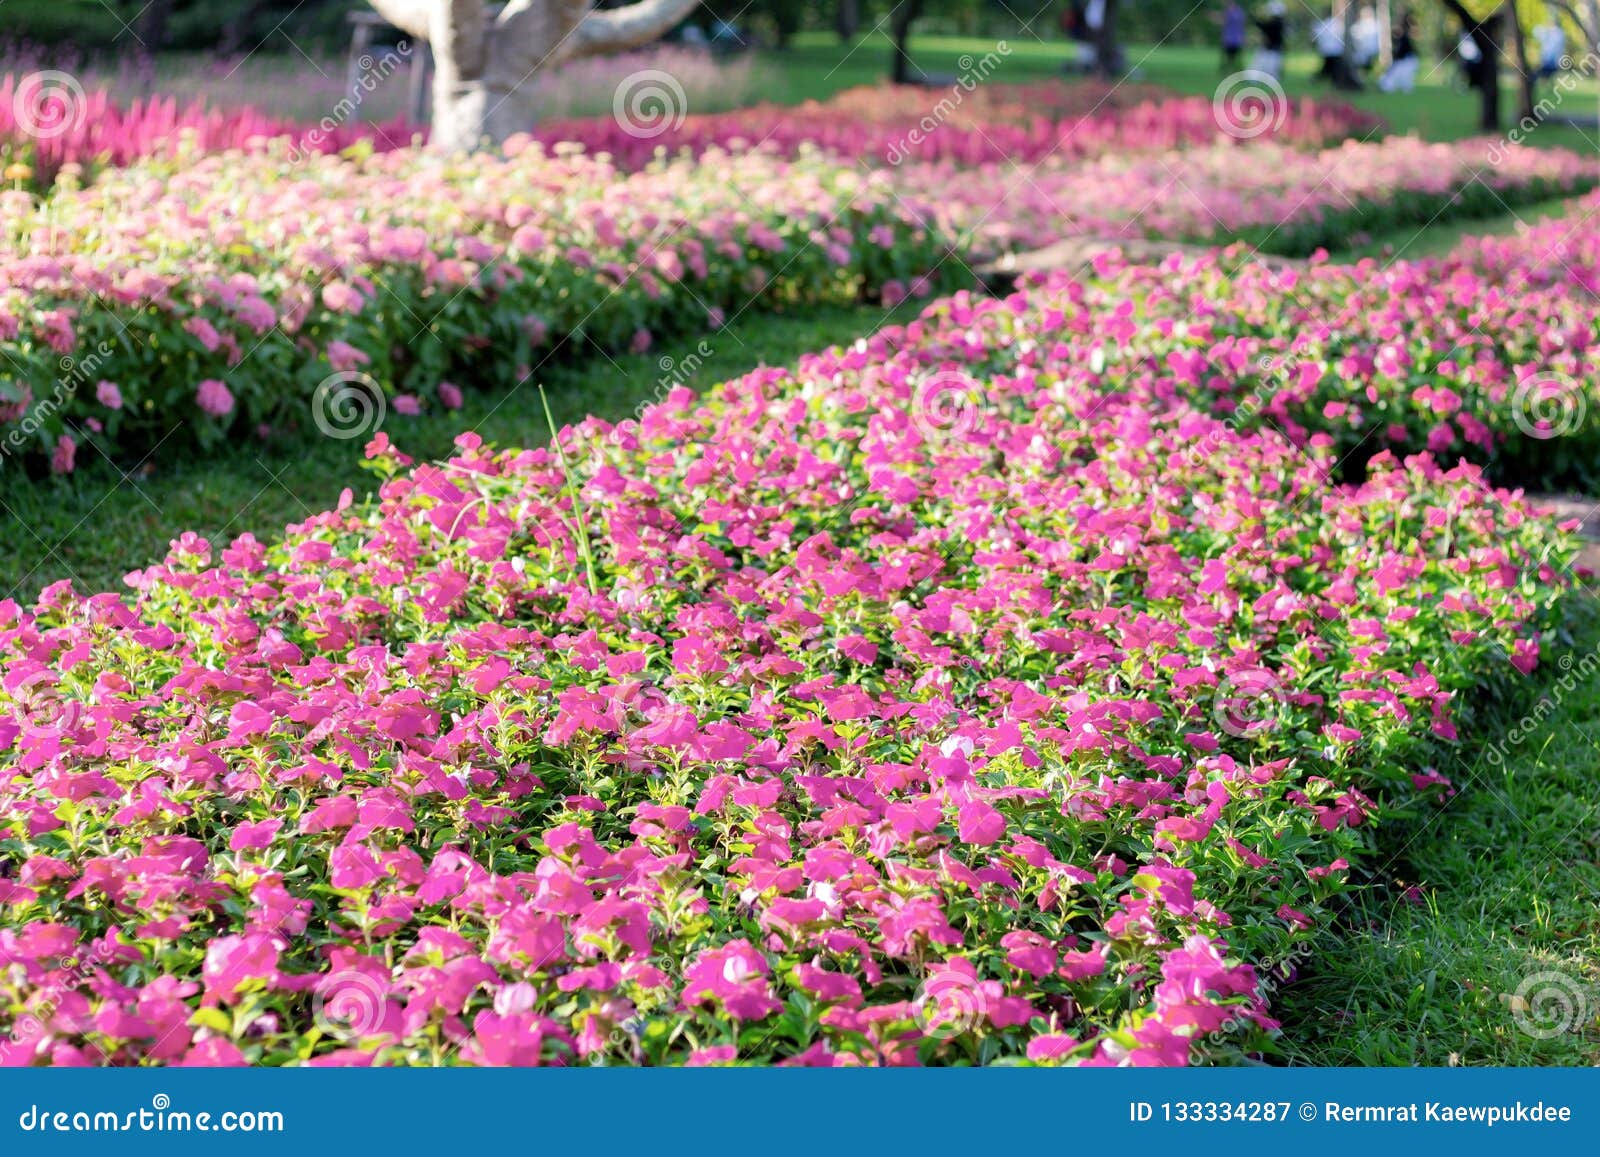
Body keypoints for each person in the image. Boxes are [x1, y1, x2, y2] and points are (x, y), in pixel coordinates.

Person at [1378, 13, 1419, 92]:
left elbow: (1403, 51)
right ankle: (1387, 87)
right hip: (1404, 60)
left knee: (1404, 77)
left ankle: (1389, 87)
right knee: (1397, 75)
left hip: (1407, 60)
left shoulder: (1404, 39)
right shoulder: (1400, 39)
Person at [1252, 1, 1287, 79]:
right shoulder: (1279, 22)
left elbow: (1264, 27)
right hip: (1273, 48)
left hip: (1272, 49)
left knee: (1269, 69)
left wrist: (1255, 19)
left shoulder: (1277, 23)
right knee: (1271, 69)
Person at [1313, 12, 1345, 81]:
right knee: (1330, 67)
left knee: (1329, 67)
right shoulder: (1338, 24)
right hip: (1336, 51)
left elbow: (1316, 35)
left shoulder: (1323, 24)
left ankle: (1320, 78)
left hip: (1327, 51)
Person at [1221, 0, 1247, 72]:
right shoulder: (1239, 11)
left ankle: (1232, 70)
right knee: (1232, 57)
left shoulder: (1230, 12)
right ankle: (1232, 70)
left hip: (1231, 39)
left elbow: (1223, 21)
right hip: (1234, 39)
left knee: (1232, 58)